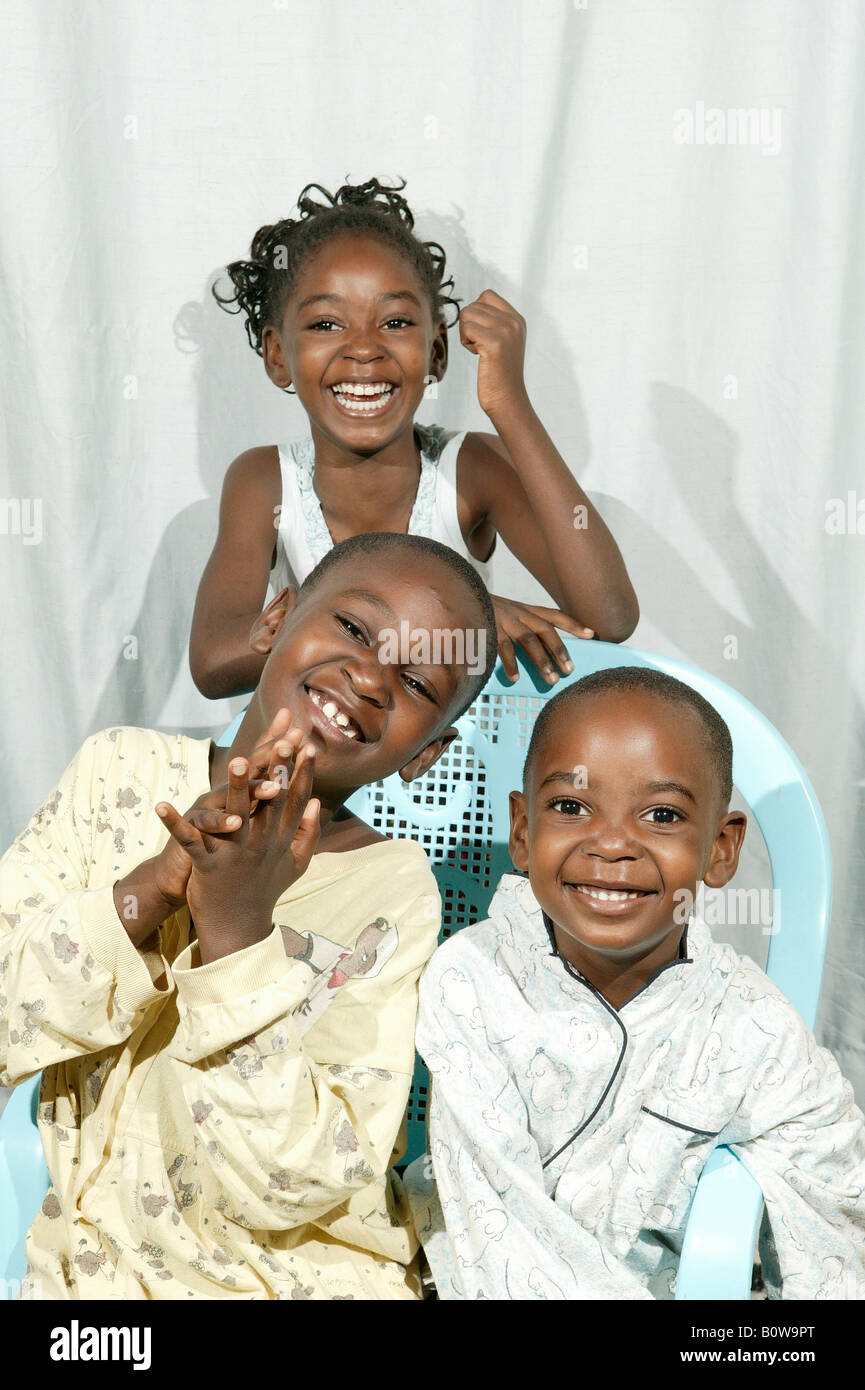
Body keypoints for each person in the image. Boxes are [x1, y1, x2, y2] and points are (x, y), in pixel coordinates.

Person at [0, 532, 497, 1301]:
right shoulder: (116, 770)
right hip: (85, 1281)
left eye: (417, 684)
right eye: (355, 630)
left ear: (425, 753)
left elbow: (297, 1180)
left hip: (286, 1281)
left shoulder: (393, 893)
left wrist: (238, 932)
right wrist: (157, 885)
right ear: (277, 619)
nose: (366, 677)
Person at [405, 667, 865, 1300]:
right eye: (570, 807)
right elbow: (497, 1230)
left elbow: (835, 1205)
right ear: (522, 829)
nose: (613, 843)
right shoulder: (472, 980)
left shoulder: (748, 1022)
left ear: (720, 849)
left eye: (662, 814)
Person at [190, 177, 638, 700]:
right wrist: (452, 620)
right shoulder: (264, 482)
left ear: (437, 354)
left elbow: (608, 617)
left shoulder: (470, 469)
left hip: (453, 776)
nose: (363, 349)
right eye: (327, 324)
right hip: (309, 770)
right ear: (277, 355)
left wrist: (509, 404)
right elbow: (214, 661)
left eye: (397, 321)